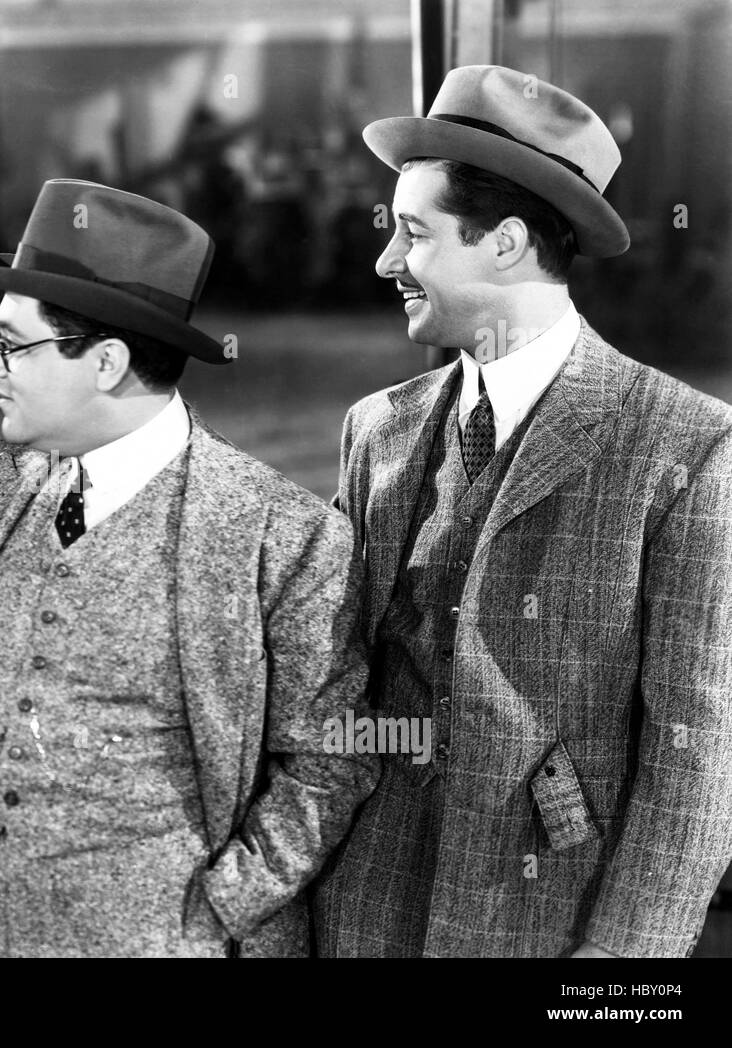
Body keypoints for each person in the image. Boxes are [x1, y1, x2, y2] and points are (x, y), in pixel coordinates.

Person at [0, 179, 377, 957]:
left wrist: (216, 912)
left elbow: (331, 756)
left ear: (107, 361)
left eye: (12, 343)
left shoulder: (281, 534)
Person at [311, 65, 732, 957]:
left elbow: (696, 757)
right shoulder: (376, 431)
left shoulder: (687, 447)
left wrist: (622, 972)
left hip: (545, 919)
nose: (387, 261)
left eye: (413, 234)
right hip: (362, 909)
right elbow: (344, 695)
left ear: (504, 244)